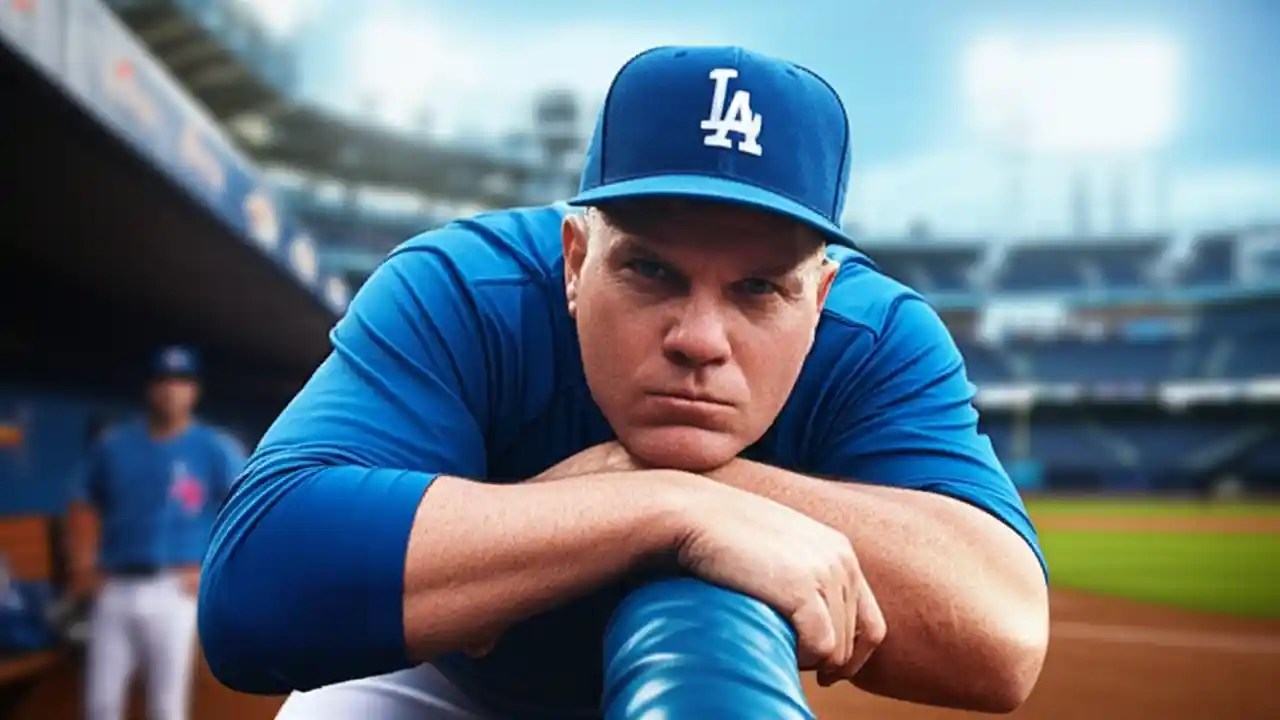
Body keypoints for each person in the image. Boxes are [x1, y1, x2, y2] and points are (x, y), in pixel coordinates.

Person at [199, 45, 1050, 718]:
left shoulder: (878, 336)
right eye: (649, 270)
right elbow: (256, 589)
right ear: (576, 261)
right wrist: (671, 508)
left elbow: (1002, 639)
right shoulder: (465, 288)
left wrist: (651, 478)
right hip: (439, 681)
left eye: (760, 288)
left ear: (820, 296)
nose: (698, 340)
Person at [68, 346, 246, 720]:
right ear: (148, 388)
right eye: (162, 380)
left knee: (166, 708)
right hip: (115, 585)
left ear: (194, 391)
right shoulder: (115, 445)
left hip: (175, 588)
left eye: (181, 381)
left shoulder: (214, 447)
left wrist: (213, 571)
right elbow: (83, 503)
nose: (170, 389)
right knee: (100, 706)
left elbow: (245, 508)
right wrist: (83, 564)